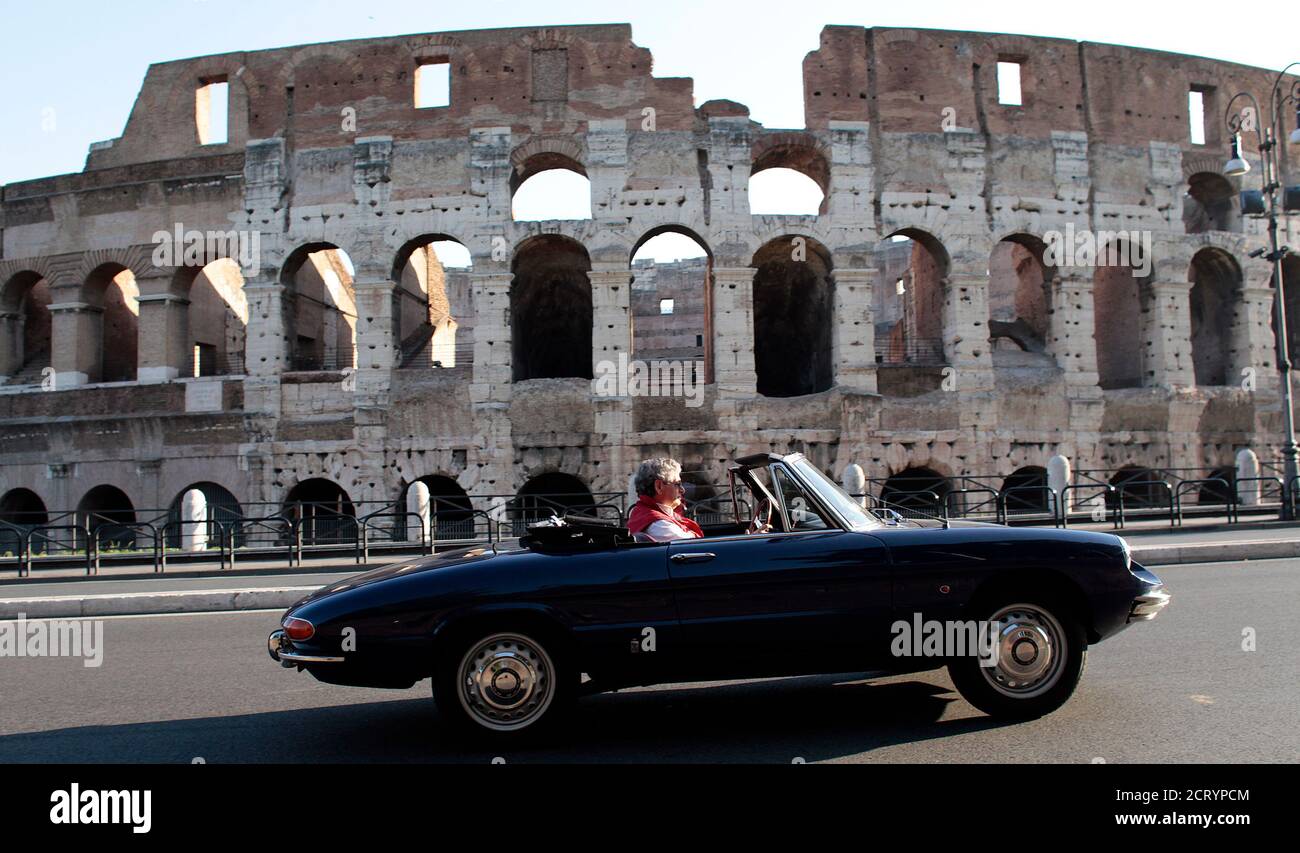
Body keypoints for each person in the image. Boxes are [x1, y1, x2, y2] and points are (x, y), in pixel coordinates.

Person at [626, 458, 705, 542]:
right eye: (677, 484)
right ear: (659, 486)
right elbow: (692, 544)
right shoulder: (658, 525)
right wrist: (692, 534)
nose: (682, 490)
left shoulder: (643, 514)